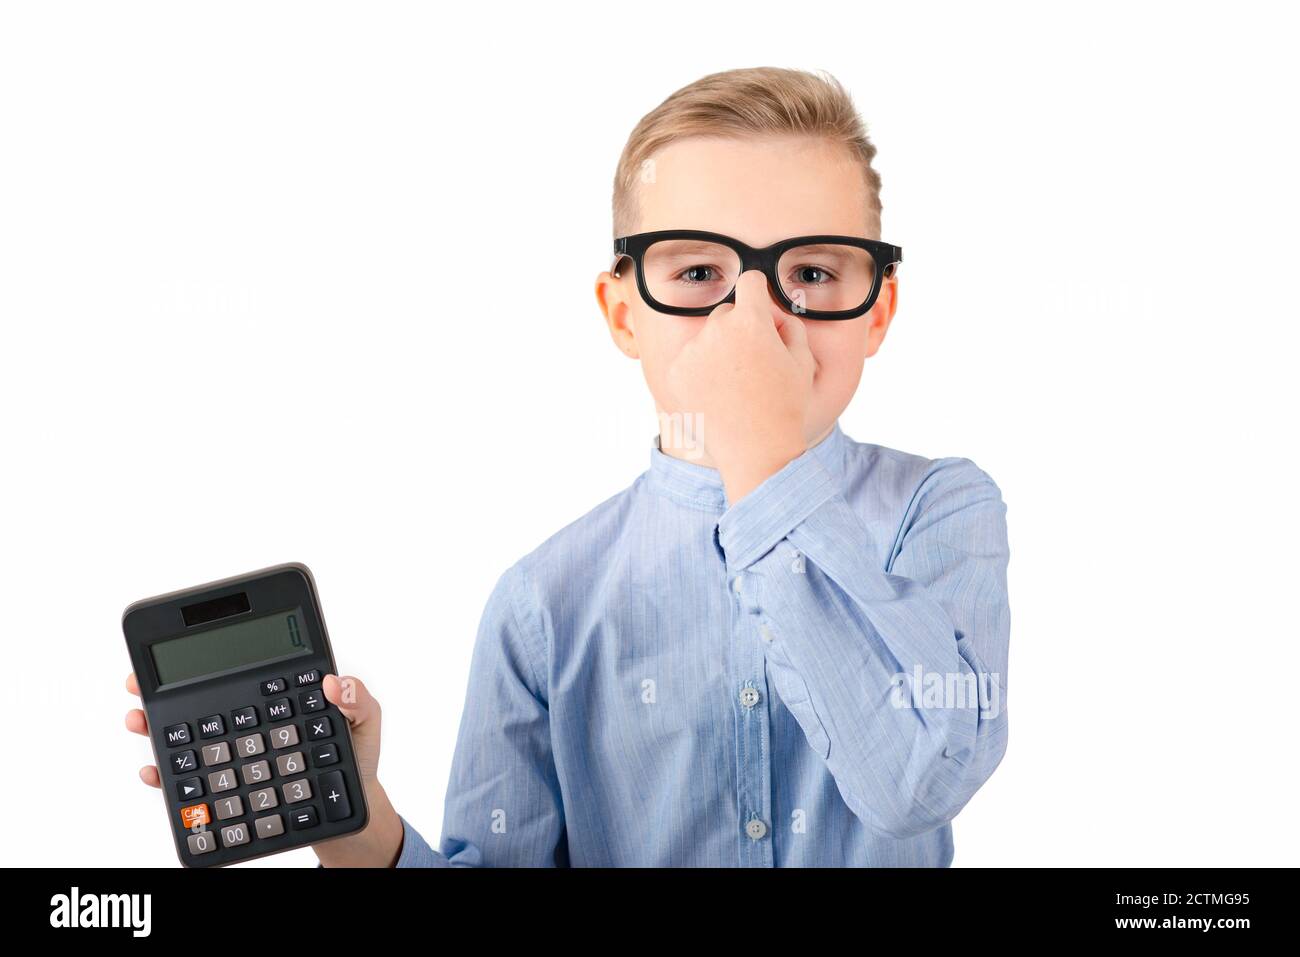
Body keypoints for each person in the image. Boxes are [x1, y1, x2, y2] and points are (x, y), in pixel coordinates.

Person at [127, 66, 1011, 867]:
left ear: (879, 311)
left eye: (813, 271)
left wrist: (765, 468)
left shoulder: (940, 510)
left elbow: (914, 782)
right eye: (701, 271)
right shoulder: (542, 604)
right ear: (623, 313)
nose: (757, 322)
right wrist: (358, 823)